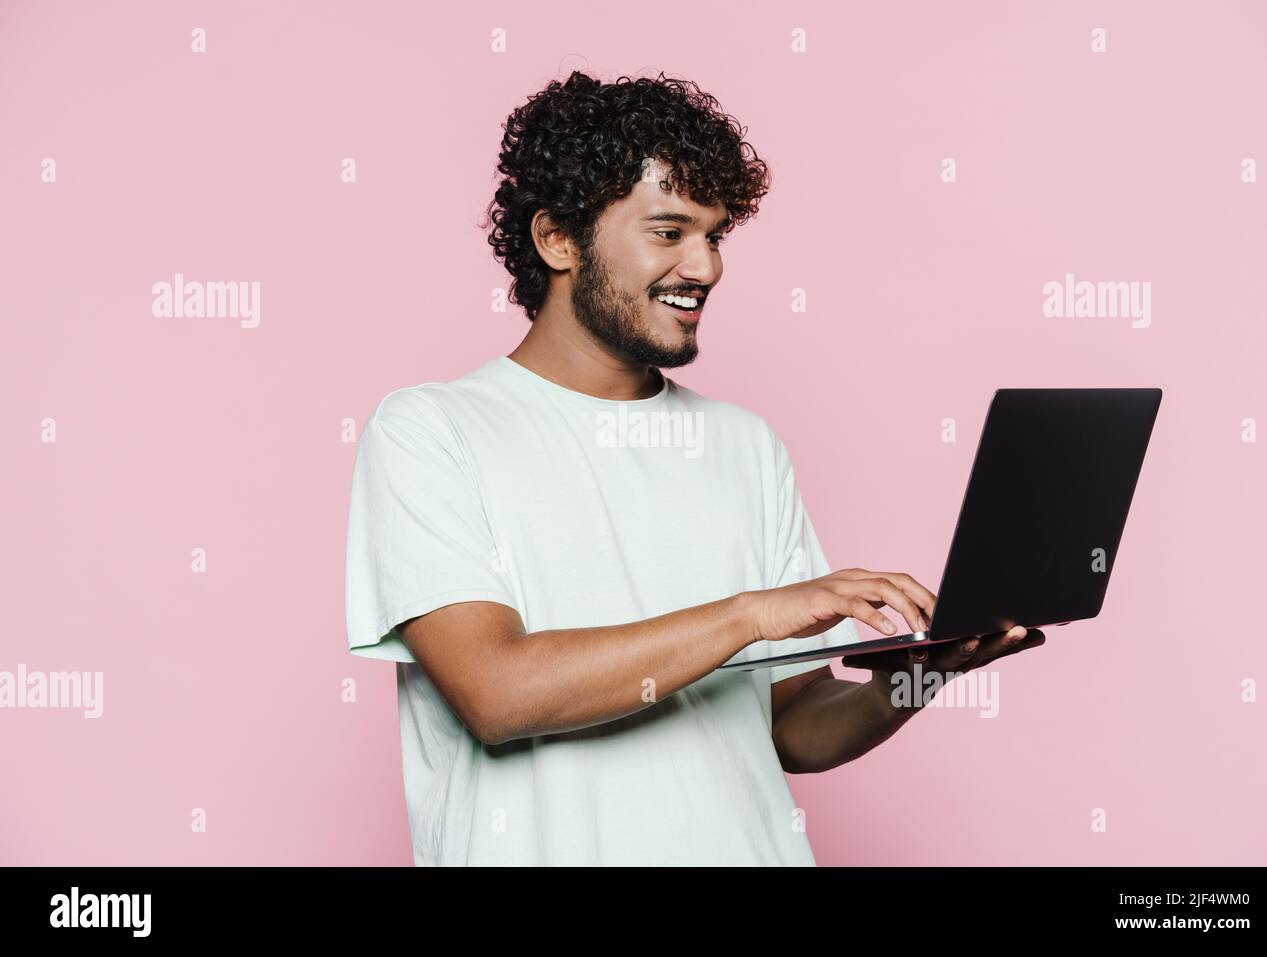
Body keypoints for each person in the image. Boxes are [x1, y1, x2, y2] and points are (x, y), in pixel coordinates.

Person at [344, 70, 1045, 866]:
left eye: (714, 236)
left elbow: (794, 725)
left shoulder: (744, 443)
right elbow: (499, 693)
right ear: (557, 239)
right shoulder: (432, 432)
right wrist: (752, 614)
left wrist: (924, 675)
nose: (705, 267)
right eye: (669, 231)